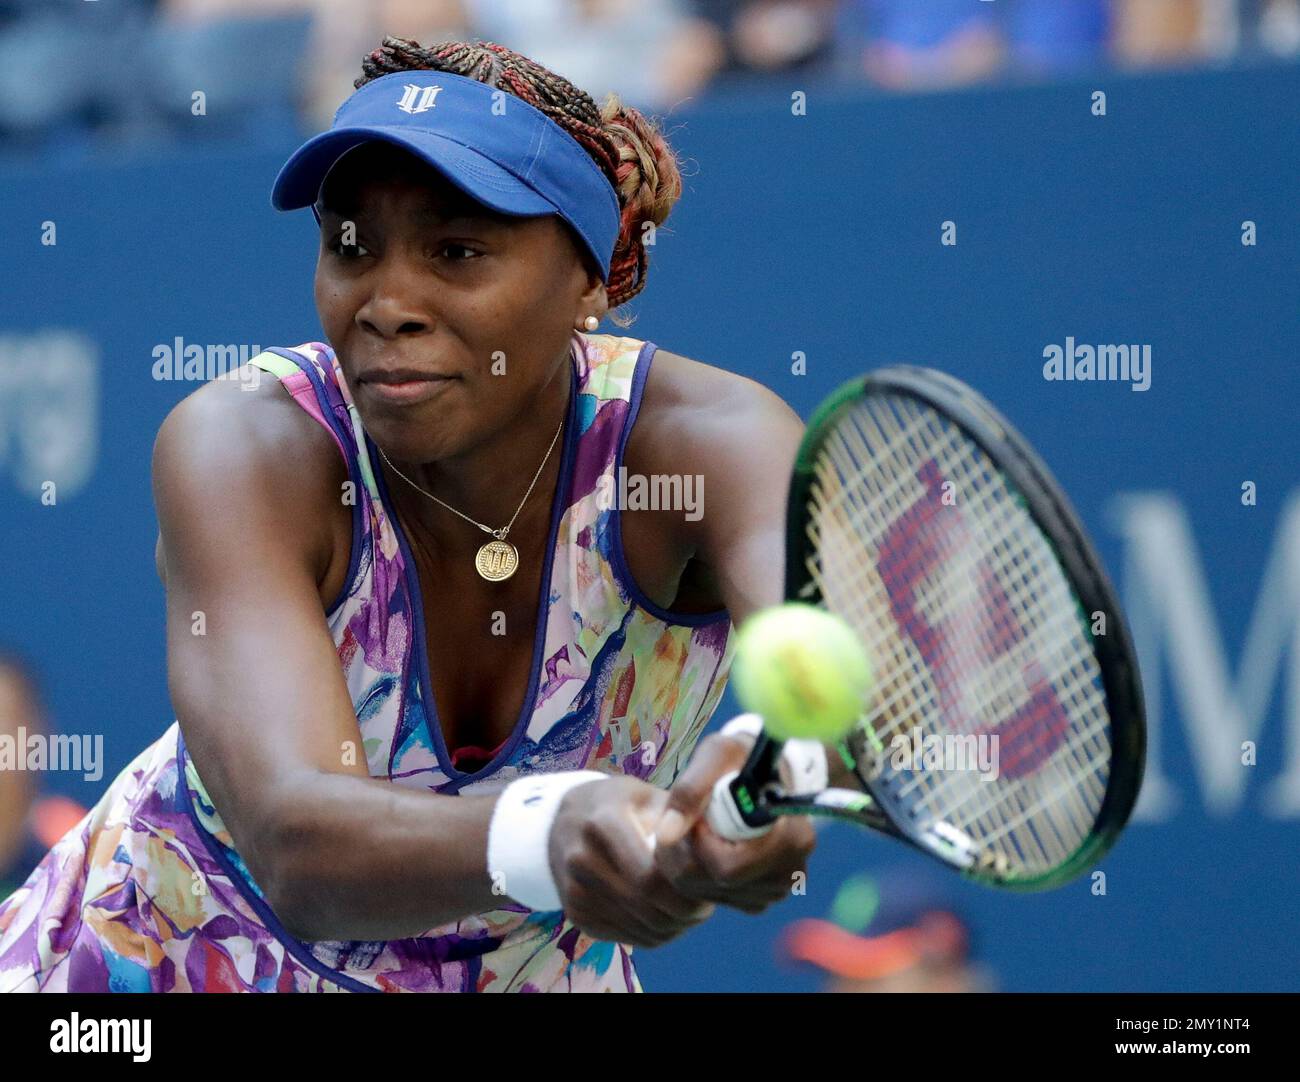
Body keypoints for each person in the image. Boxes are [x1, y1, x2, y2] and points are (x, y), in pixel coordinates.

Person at [0, 37, 827, 992]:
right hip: (139, 972)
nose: (388, 302)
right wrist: (550, 826)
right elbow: (301, 847)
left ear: (591, 278)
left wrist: (758, 781)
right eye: (350, 245)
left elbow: (808, 671)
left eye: (457, 249)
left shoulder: (713, 445)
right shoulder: (246, 443)